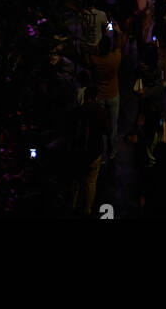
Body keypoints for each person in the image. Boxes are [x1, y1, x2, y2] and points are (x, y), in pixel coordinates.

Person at [70, 82, 111, 216]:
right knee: (91, 181)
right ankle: (87, 209)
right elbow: (108, 130)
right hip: (95, 151)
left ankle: (73, 206)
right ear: (96, 96)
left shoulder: (78, 111)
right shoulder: (101, 111)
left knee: (76, 181)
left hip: (78, 152)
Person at [88, 31, 122, 161]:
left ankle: (101, 155)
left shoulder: (95, 60)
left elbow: (87, 51)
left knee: (100, 127)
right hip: (113, 95)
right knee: (113, 126)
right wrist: (118, 33)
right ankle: (112, 152)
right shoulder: (115, 59)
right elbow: (119, 46)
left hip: (100, 96)